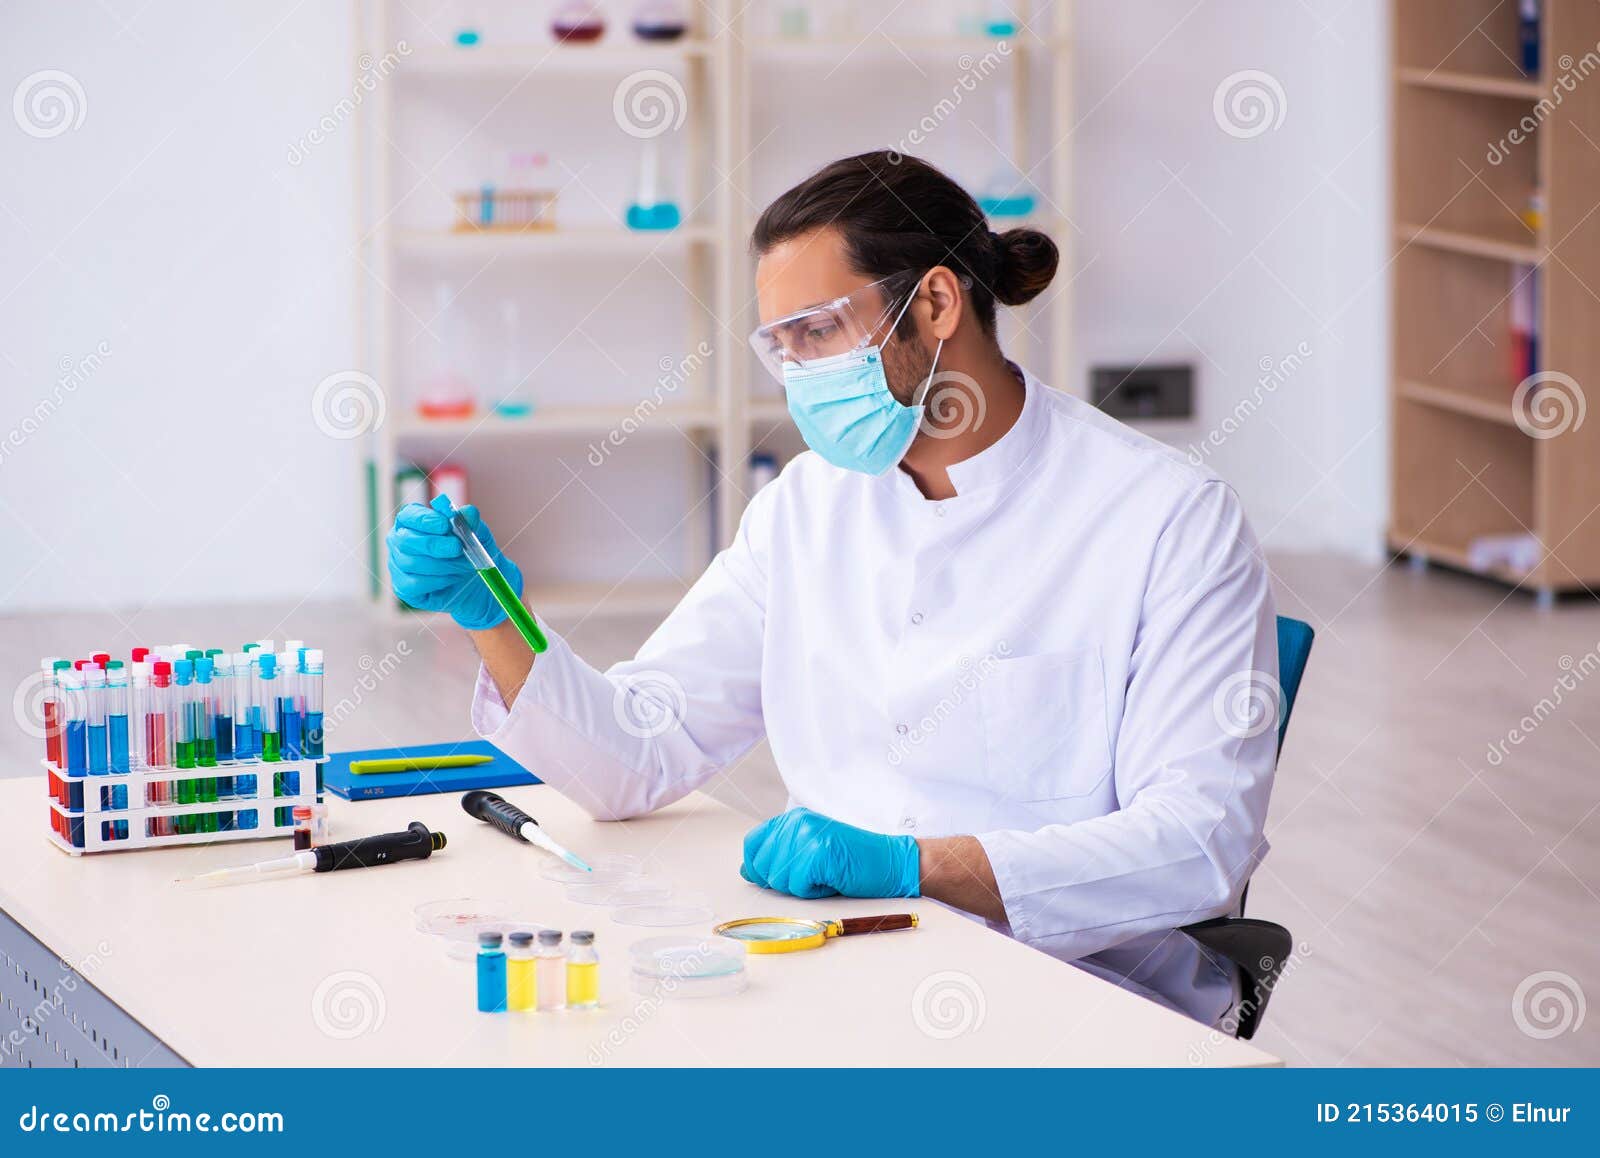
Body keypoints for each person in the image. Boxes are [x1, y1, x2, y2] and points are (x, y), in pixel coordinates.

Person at [387, 151, 1279, 1025]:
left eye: (818, 331)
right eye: (780, 346)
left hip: (1074, 996)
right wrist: (494, 615)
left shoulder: (1168, 519)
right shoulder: (805, 510)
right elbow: (637, 757)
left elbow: (1198, 841)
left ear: (934, 302)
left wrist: (915, 865)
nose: (801, 373)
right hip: (837, 965)